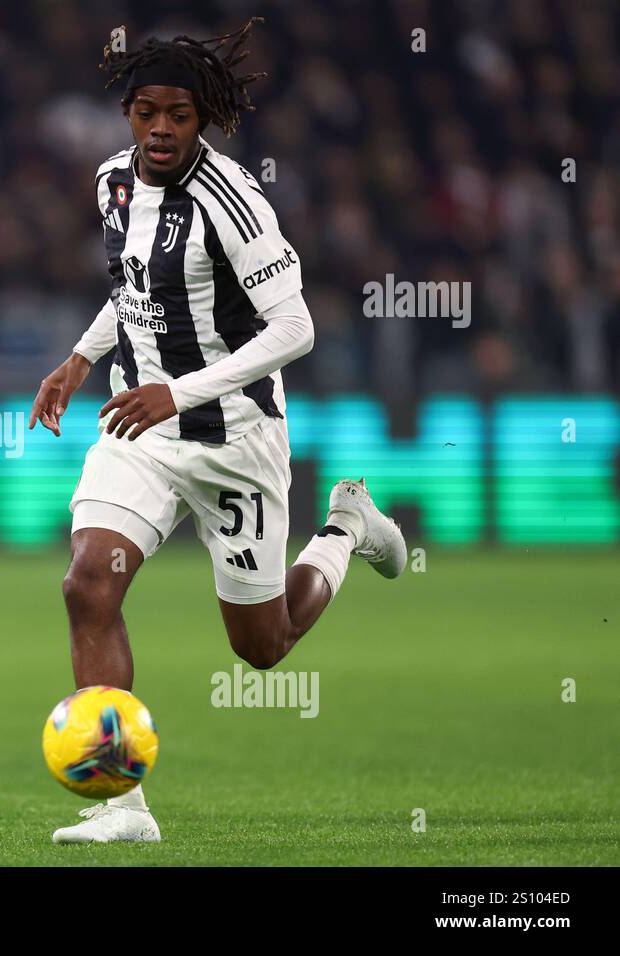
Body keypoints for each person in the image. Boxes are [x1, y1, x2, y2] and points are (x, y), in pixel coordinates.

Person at [29, 19, 406, 844]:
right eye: (145, 112)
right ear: (127, 113)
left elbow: (294, 327)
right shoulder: (111, 184)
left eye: (179, 115)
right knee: (87, 583)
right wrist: (81, 358)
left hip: (234, 436)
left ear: (205, 119)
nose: (160, 129)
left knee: (262, 648)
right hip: (140, 426)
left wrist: (181, 390)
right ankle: (122, 808)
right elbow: (136, 288)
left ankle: (345, 529)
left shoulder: (233, 201)